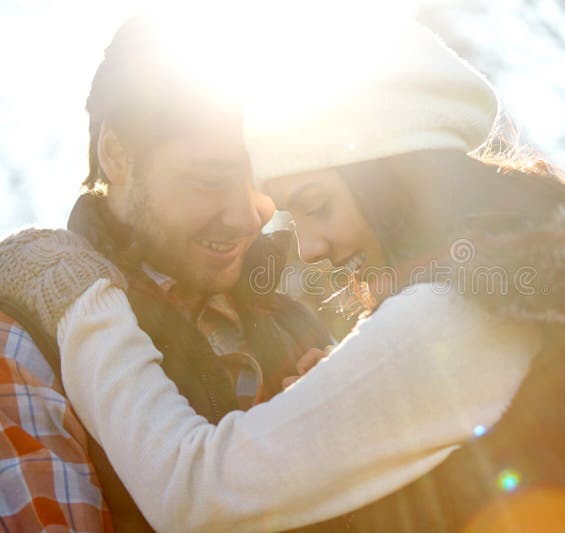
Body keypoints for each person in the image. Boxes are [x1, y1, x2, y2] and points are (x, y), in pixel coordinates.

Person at [1, 16, 565, 533]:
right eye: (290, 212)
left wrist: (83, 303)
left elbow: (196, 490)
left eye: (314, 204)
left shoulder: (457, 314)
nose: (307, 245)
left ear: (395, 175)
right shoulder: (524, 280)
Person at [0, 14, 330, 532]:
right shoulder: (27, 343)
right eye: (209, 182)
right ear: (116, 155)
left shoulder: (298, 328)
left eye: (262, 182)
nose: (250, 217)